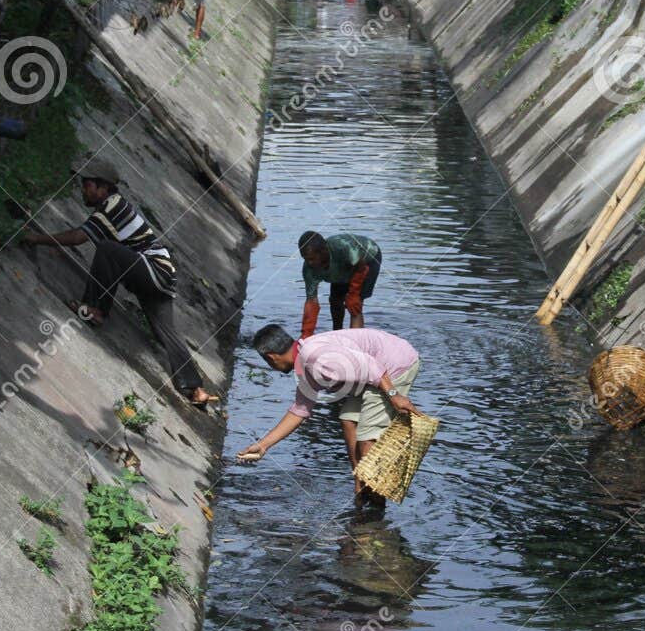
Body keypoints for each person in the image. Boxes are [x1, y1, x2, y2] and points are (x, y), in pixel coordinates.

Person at [21, 161, 216, 408]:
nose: (84, 191)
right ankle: (195, 389)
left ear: (104, 188)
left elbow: (77, 238)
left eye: (89, 186)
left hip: (153, 270)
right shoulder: (111, 208)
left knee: (106, 249)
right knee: (165, 332)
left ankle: (95, 309)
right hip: (159, 273)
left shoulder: (111, 208)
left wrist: (36, 238)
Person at [238, 324, 423, 506]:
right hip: (375, 372)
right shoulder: (305, 362)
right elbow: (300, 410)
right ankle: (360, 486)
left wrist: (394, 395)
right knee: (348, 420)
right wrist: (263, 446)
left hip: (395, 365)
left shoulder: (318, 359)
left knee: (368, 439)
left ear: (271, 357)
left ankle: (376, 506)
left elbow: (372, 366)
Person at [297, 230, 382, 338]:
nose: (309, 263)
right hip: (342, 267)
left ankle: (356, 341)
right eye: (305, 259)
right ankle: (337, 333)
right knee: (335, 300)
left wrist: (354, 293)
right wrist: (306, 333)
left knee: (354, 304)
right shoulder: (309, 269)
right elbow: (311, 301)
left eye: (312, 259)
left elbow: (361, 267)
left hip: (367, 260)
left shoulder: (342, 248)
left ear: (324, 251)